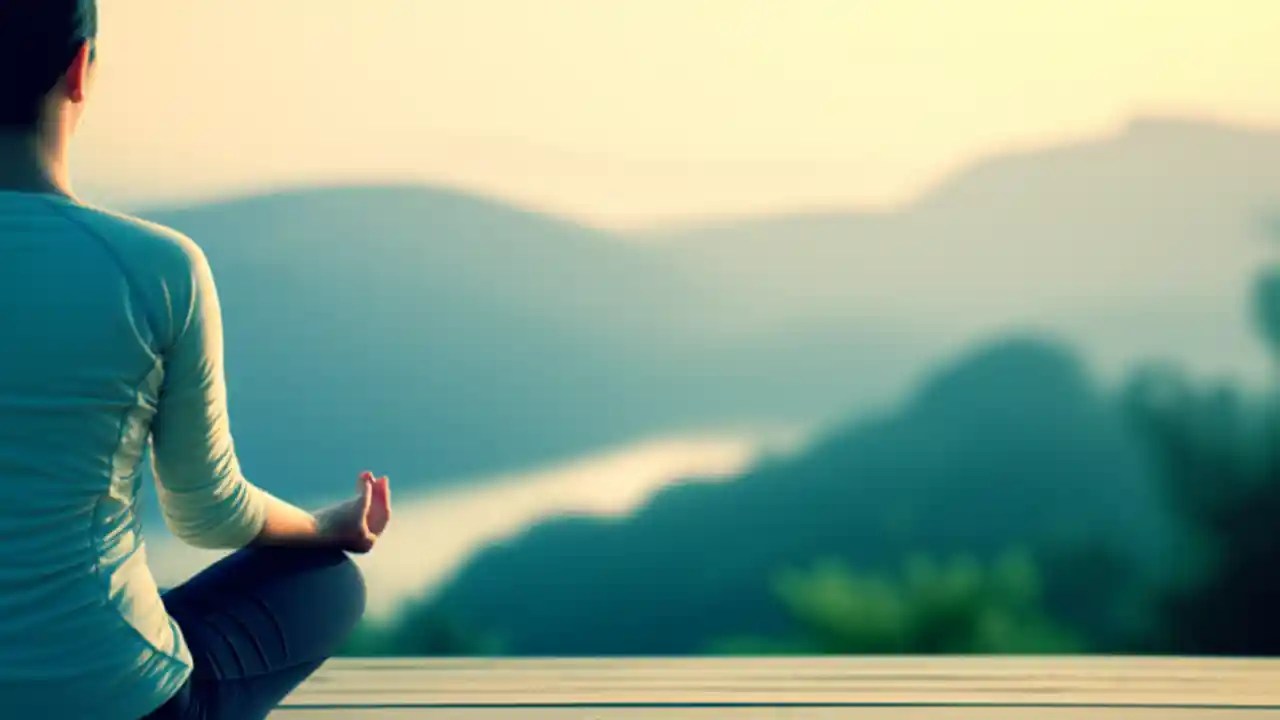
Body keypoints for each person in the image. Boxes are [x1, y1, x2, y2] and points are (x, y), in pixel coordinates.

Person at [0, 2, 392, 718]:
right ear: (79, 71)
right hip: (112, 697)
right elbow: (207, 511)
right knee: (328, 581)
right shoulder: (154, 268)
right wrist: (325, 528)